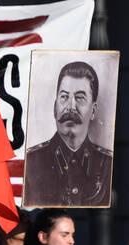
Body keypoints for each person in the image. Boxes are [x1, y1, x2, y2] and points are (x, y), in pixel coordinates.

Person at [23, 60, 113, 208]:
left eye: (79, 98)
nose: (70, 107)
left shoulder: (106, 164)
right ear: (55, 107)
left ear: (94, 110)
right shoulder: (32, 162)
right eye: (64, 97)